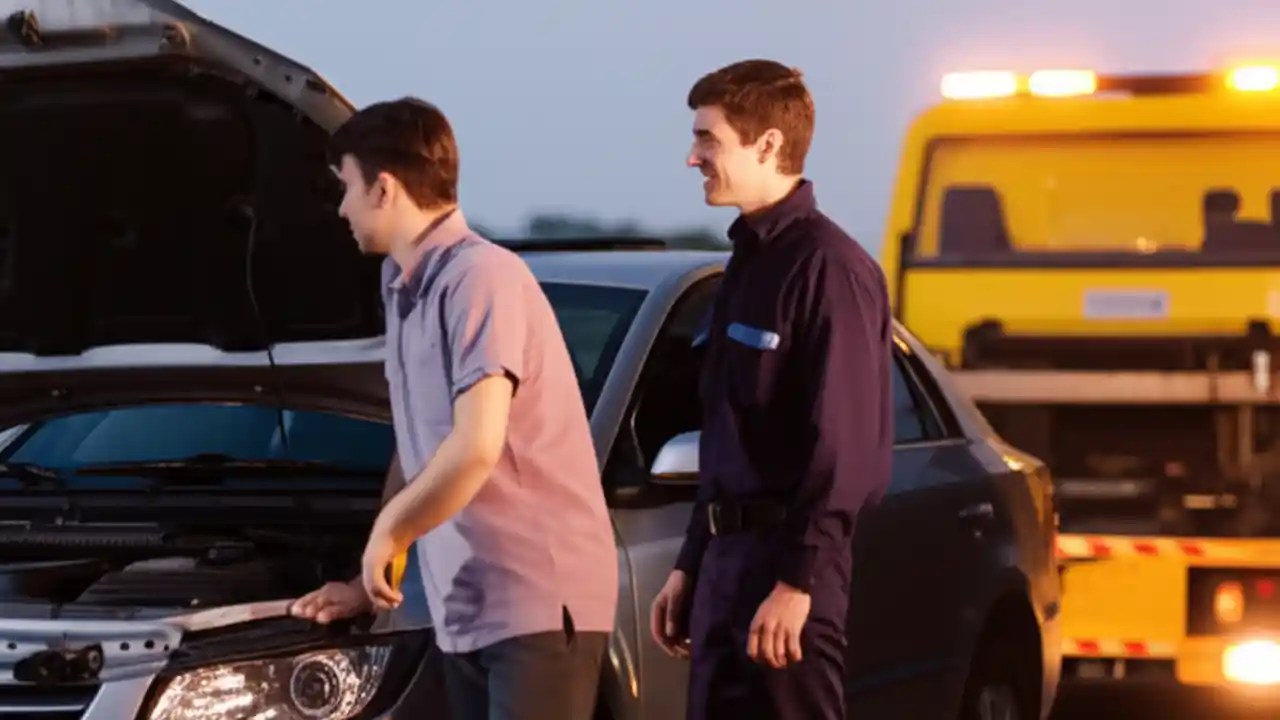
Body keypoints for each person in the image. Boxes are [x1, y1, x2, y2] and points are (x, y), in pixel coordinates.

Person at [289, 97, 618, 720]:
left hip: (533, 598)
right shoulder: (403, 286)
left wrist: (391, 532)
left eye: (347, 188)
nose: (341, 208)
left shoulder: (481, 277)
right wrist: (368, 582)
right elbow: (419, 446)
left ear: (385, 188)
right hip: (463, 605)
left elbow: (474, 446)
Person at [648, 60, 893, 720]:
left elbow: (843, 451)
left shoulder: (830, 269)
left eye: (708, 140)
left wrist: (798, 579)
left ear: (767, 146)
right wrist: (690, 564)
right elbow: (728, 441)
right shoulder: (745, 268)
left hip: (784, 573)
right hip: (724, 569)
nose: (692, 157)